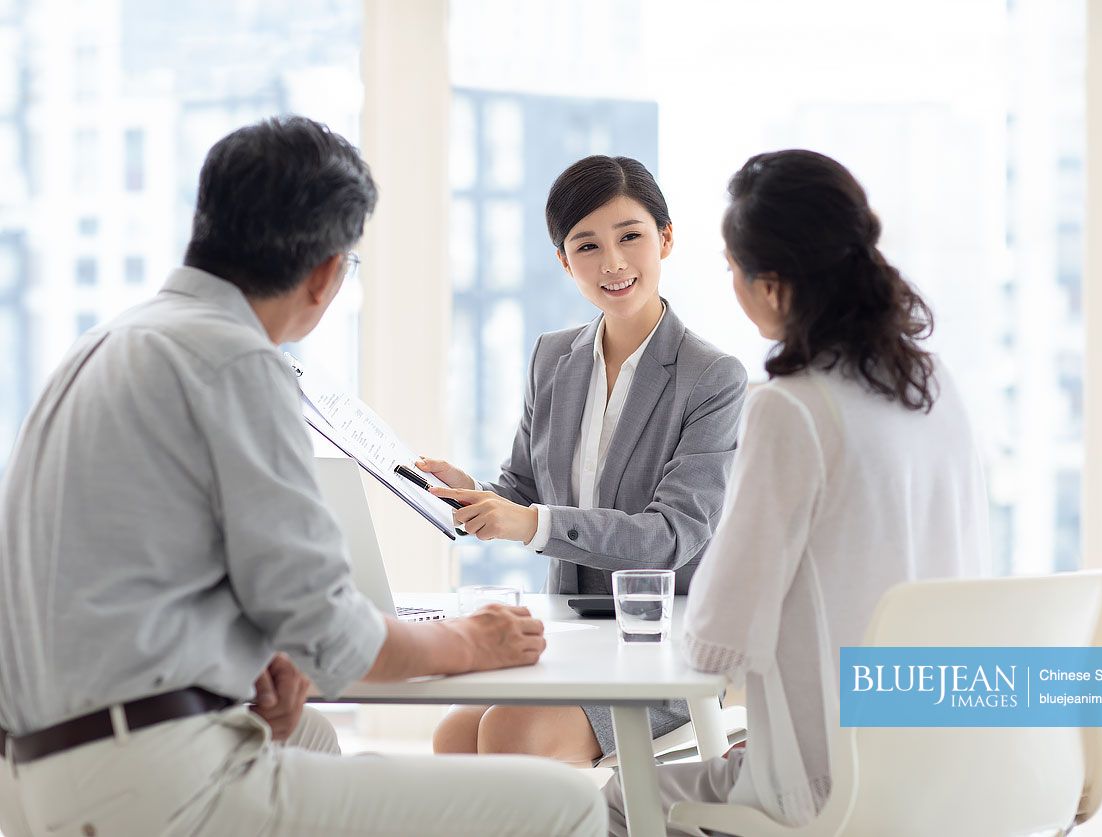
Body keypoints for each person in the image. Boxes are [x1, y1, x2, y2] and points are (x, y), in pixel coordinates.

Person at [0, 116, 605, 837]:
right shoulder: (235, 360)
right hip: (150, 776)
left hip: (40, 767)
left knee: (313, 740)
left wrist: (255, 659)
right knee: (568, 804)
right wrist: (473, 640)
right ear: (325, 272)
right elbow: (336, 634)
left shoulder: (108, 343)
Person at [603, 149, 991, 834]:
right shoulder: (934, 387)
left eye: (731, 268)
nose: (731, 284)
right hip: (951, 769)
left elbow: (717, 641)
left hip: (828, 786)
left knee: (610, 798)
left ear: (773, 285)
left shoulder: (793, 410)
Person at [419, 155, 748, 766]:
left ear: (666, 239)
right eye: (587, 245)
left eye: (631, 237)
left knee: (513, 735)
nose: (614, 263)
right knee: (454, 735)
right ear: (564, 261)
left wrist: (528, 522)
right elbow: (521, 488)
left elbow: (670, 537)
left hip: (661, 650)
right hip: (572, 637)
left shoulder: (712, 378)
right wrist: (473, 494)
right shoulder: (553, 359)